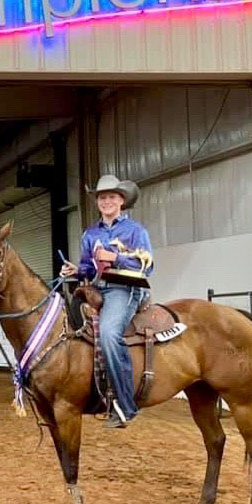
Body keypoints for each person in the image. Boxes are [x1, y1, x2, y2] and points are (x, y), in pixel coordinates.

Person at [60, 175, 154, 429]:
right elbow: (87, 267)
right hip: (97, 289)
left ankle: (125, 405)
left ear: (122, 201)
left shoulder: (135, 231)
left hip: (126, 289)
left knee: (110, 334)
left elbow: (148, 265)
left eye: (112, 197)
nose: (107, 201)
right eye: (102, 197)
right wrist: (75, 272)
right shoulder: (90, 233)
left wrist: (115, 258)